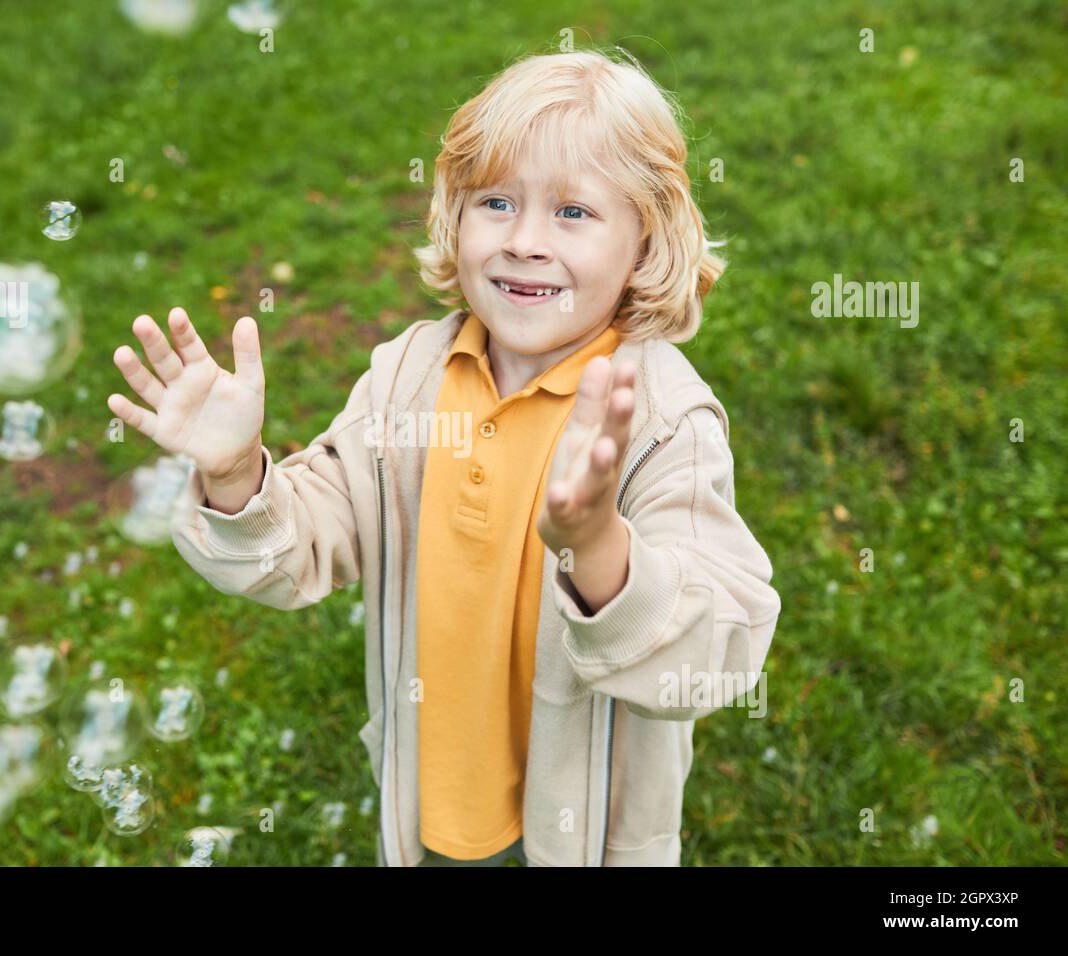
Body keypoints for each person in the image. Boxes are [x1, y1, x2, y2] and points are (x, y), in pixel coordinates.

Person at [107, 47, 781, 867]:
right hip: (434, 805)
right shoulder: (409, 379)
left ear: (646, 242)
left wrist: (598, 545)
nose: (526, 241)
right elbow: (304, 547)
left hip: (584, 831)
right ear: (453, 219)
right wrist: (233, 472)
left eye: (574, 213)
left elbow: (719, 657)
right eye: (496, 202)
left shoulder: (661, 420)